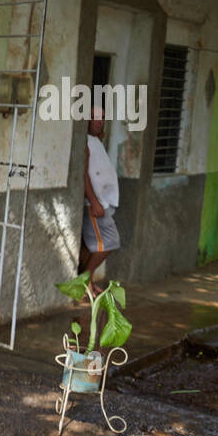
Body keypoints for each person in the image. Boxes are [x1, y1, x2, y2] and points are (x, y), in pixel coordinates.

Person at [79, 103, 120, 298]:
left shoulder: (95, 141)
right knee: (110, 242)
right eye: (95, 118)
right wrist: (94, 202)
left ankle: (84, 285)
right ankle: (85, 281)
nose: (99, 122)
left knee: (91, 247)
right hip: (96, 205)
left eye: (102, 118)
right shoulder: (85, 142)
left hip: (104, 203)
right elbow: (83, 174)